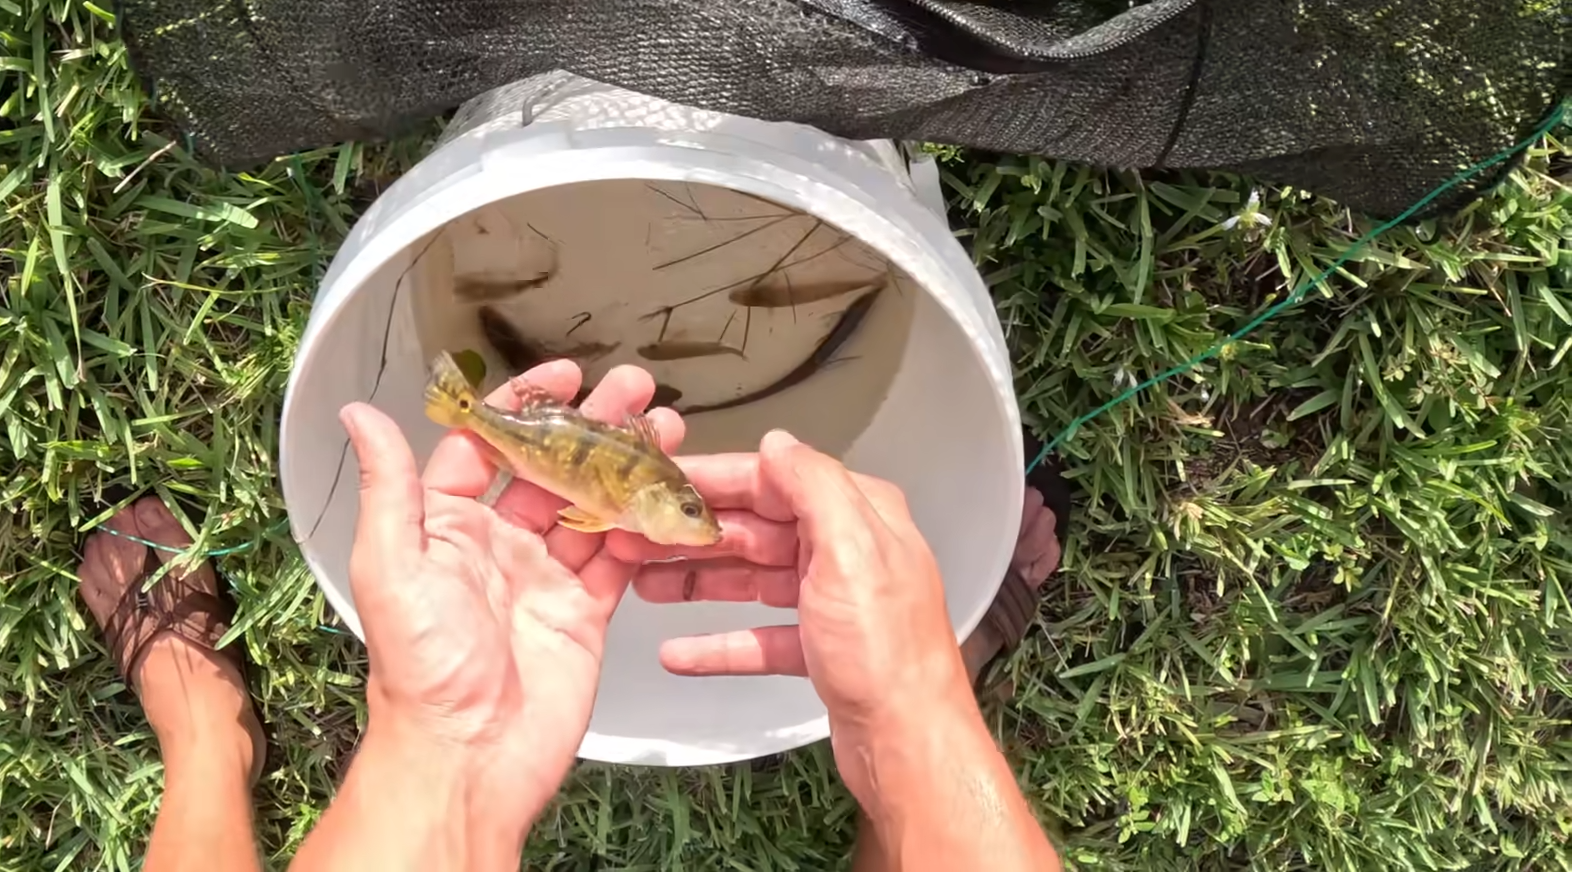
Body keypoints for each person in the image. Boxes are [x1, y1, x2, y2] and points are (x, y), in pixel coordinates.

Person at [80, 359, 1064, 871]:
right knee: (921, 754)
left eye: (690, 514)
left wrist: (443, 741)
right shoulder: (633, 495)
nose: (701, 526)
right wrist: (911, 704)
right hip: (558, 460)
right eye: (690, 513)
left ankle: (206, 736)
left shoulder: (637, 497)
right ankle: (933, 720)